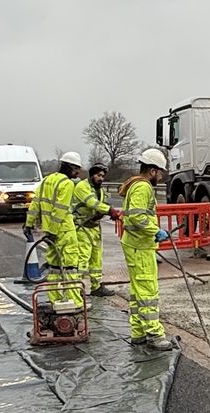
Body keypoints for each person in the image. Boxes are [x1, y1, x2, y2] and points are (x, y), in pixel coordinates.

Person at [118, 148, 171, 350]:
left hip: (136, 243)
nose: (161, 176)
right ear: (152, 171)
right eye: (160, 172)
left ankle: (138, 332)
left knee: (137, 290)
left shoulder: (136, 185)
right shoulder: (143, 187)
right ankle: (154, 334)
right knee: (148, 290)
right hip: (139, 245)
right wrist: (155, 230)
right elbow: (136, 216)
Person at [23, 152, 85, 309]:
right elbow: (60, 210)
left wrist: (29, 223)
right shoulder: (67, 184)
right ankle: (74, 304)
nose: (78, 173)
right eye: (77, 169)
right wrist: (54, 230)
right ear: (70, 167)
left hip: (50, 233)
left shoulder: (47, 180)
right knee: (70, 267)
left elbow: (35, 203)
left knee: (54, 268)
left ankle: (56, 300)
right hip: (63, 231)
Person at [73, 163, 121, 297]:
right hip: (82, 227)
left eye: (103, 176)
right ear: (92, 175)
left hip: (94, 227)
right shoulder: (82, 186)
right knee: (83, 259)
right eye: (98, 175)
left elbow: (102, 203)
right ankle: (77, 289)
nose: (101, 178)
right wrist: (108, 210)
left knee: (96, 259)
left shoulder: (99, 189)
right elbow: (92, 203)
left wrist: (107, 210)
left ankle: (96, 286)